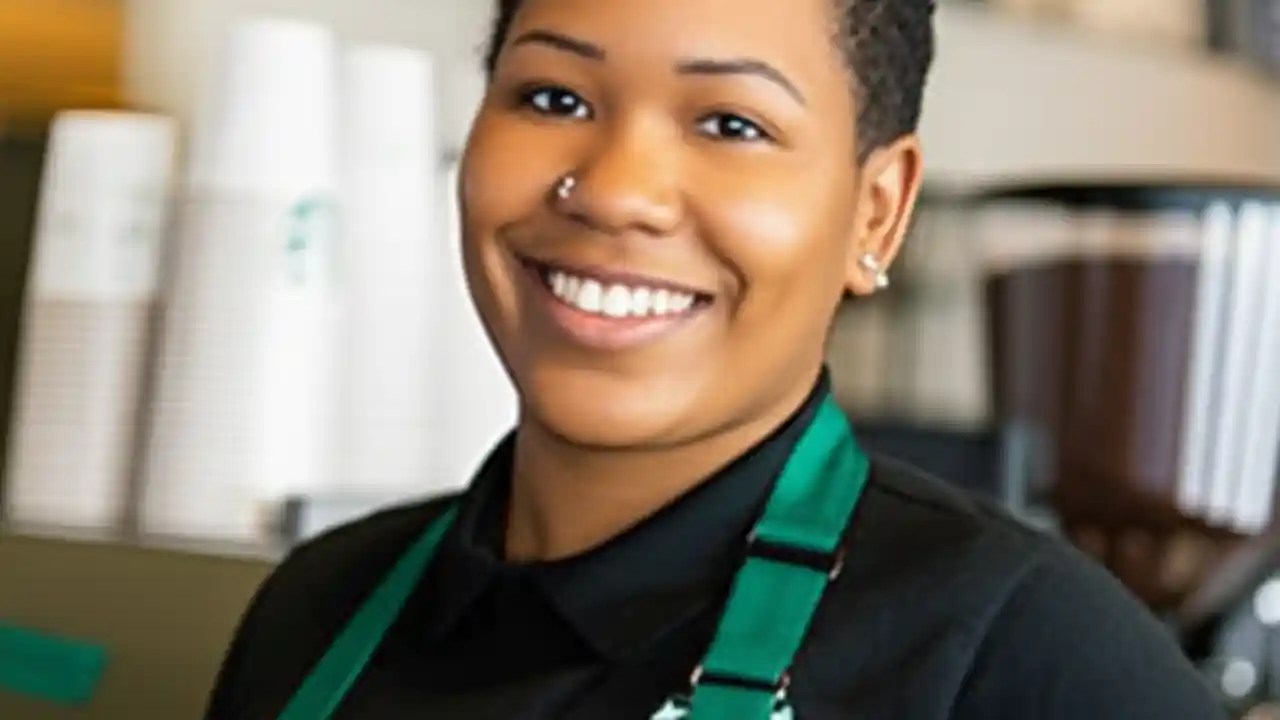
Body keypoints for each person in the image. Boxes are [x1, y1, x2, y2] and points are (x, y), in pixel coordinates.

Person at [204, 0, 1226, 717]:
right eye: (554, 98)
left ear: (876, 211)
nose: (615, 191)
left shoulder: (1021, 654)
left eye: (730, 123)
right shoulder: (321, 608)